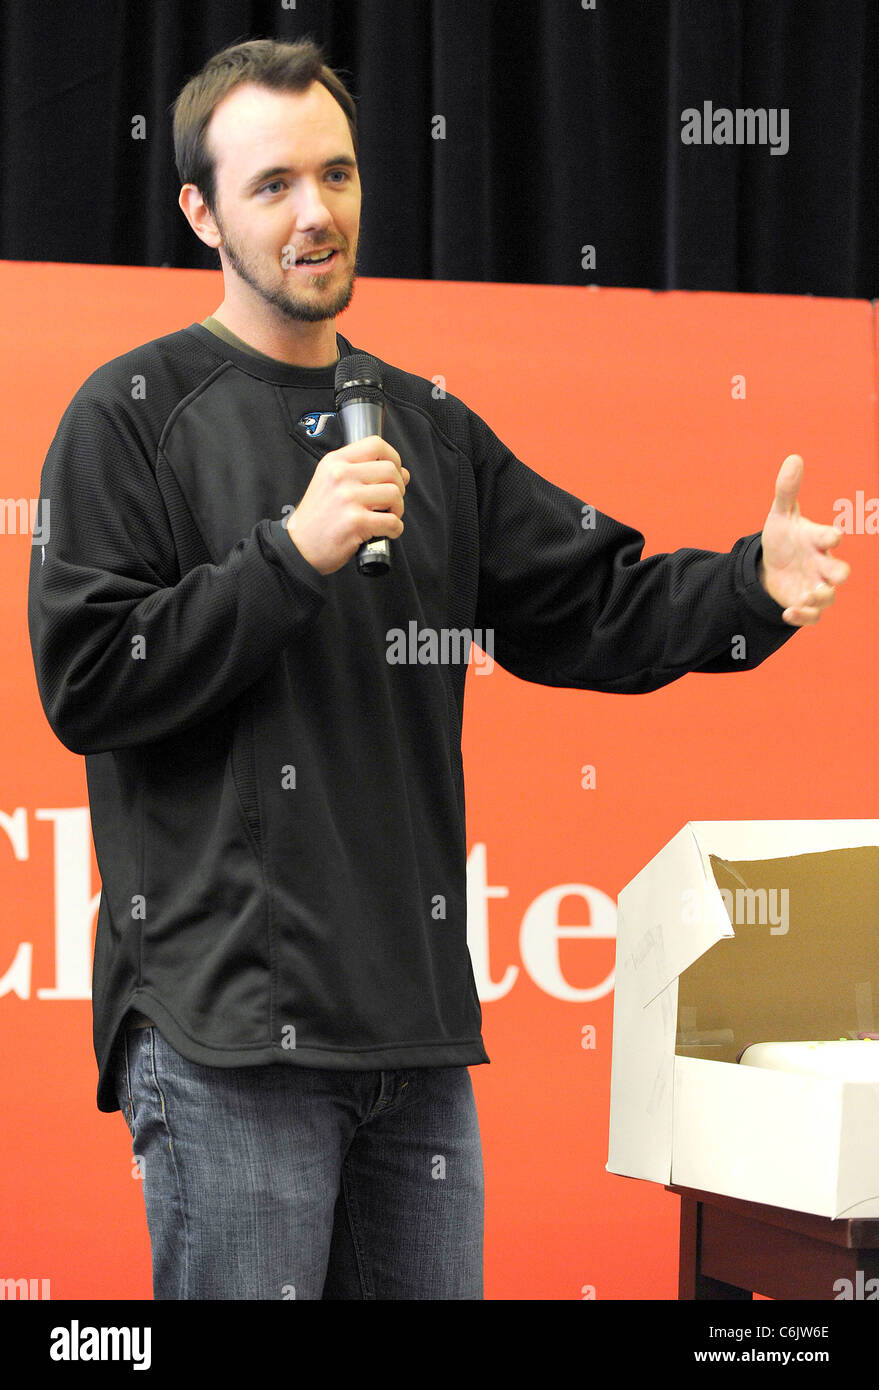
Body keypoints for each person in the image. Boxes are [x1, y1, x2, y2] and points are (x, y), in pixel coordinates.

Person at [27, 37, 848, 1301]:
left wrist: (750, 587)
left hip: (414, 1044)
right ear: (199, 210)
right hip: (225, 1039)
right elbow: (89, 679)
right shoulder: (130, 414)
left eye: (339, 175)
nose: (317, 214)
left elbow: (592, 604)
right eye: (273, 185)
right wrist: (290, 557)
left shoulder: (427, 423)